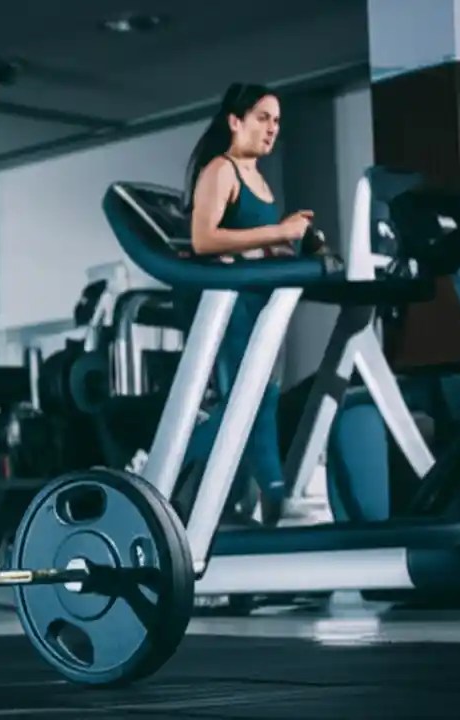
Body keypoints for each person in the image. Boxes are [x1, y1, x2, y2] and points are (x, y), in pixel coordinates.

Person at [181, 83, 316, 519]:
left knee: (265, 400)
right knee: (245, 403)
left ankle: (272, 500)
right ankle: (159, 465)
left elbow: (249, 243)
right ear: (235, 121)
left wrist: (283, 248)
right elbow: (204, 239)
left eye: (277, 120)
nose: (272, 128)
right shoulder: (221, 170)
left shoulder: (258, 178)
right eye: (262, 117)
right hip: (232, 309)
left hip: (263, 306)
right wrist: (278, 233)